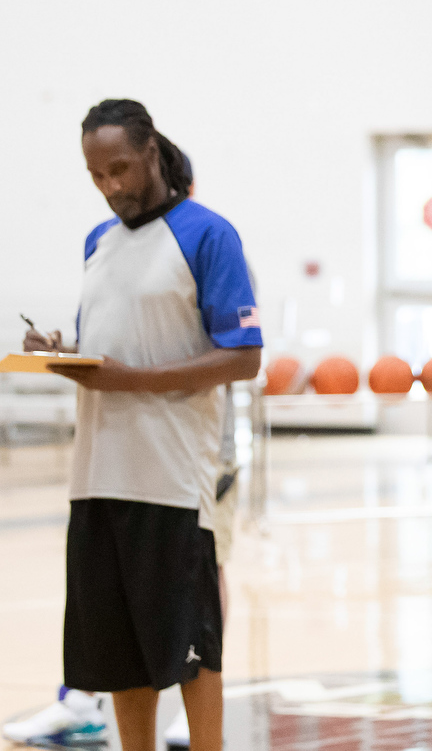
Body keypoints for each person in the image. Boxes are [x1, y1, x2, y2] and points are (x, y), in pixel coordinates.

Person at [16, 99, 262, 751]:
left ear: (151, 151)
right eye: (97, 175)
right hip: (96, 476)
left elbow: (245, 356)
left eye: (121, 168)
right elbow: (117, 343)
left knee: (189, 652)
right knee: (116, 655)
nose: (112, 186)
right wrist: (65, 350)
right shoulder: (98, 243)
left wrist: (127, 379)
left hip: (173, 482)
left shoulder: (208, 235)